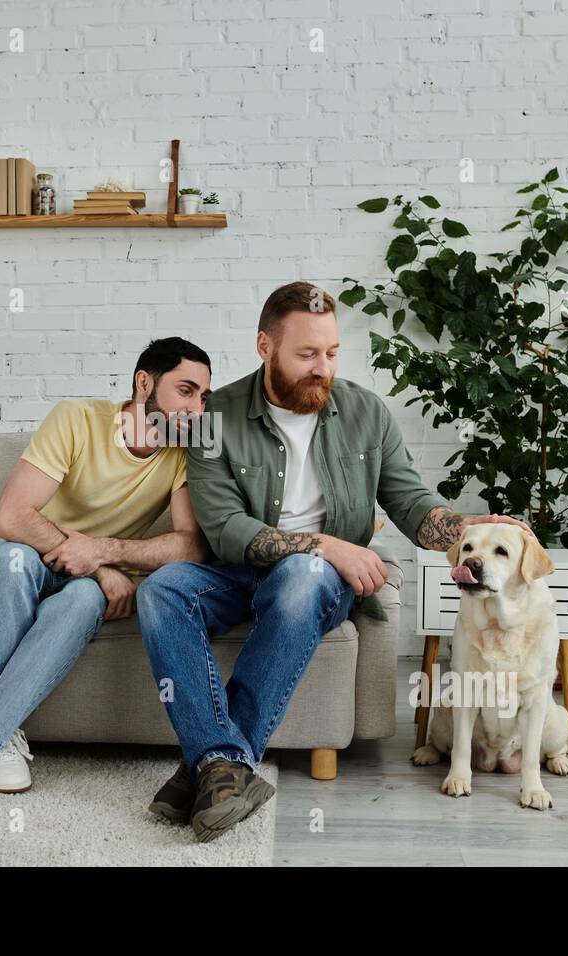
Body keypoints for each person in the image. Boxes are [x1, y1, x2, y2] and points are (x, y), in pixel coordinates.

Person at [137, 281, 530, 842]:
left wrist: (473, 527)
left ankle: (211, 765)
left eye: (331, 352)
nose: (322, 367)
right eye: (306, 354)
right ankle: (221, 767)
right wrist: (329, 544)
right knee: (163, 589)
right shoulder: (215, 414)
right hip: (242, 570)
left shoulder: (366, 413)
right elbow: (225, 531)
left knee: (303, 573)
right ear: (264, 346)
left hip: (319, 582)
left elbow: (411, 504)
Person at [0, 337, 213, 794]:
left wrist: (103, 553)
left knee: (80, 599)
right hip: (40, 558)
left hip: (93, 581)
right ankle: (4, 738)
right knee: (7, 556)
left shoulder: (184, 451)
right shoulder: (76, 419)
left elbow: (190, 546)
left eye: (203, 397)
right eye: (186, 391)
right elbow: (11, 518)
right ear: (144, 384)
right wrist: (97, 563)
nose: (196, 409)